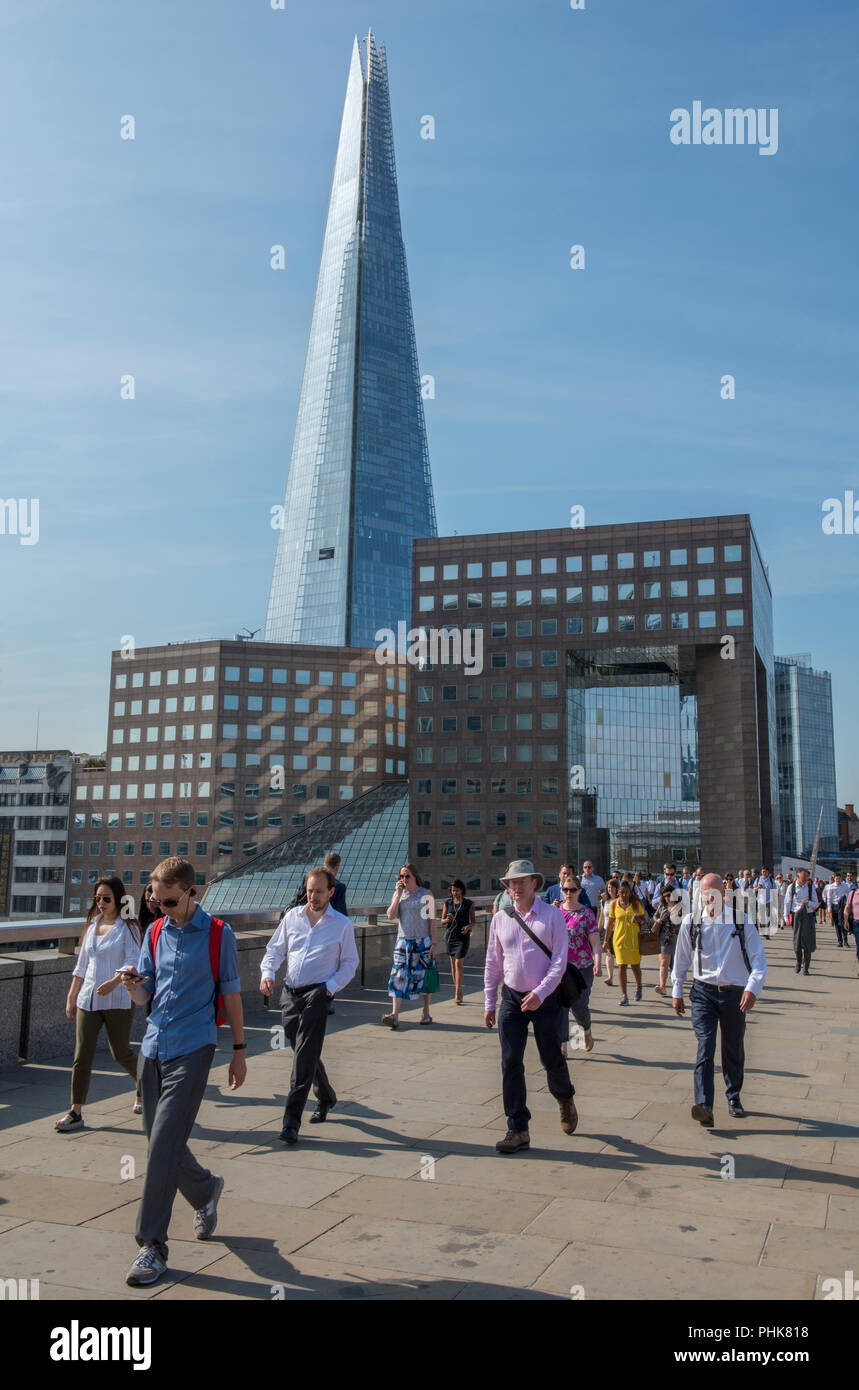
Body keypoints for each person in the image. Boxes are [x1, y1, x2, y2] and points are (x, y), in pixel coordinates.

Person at [116, 857, 246, 1288]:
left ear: (192, 892)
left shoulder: (217, 934)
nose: (161, 908)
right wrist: (134, 984)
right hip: (153, 1048)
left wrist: (240, 1051)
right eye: (155, 900)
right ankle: (205, 1189)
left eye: (169, 901)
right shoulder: (154, 932)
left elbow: (230, 993)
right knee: (160, 1144)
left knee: (164, 1142)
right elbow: (145, 996)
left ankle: (151, 1245)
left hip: (194, 1047)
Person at [260, 865, 358, 1144]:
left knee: (303, 1059)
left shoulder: (341, 924)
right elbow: (275, 949)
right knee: (300, 1047)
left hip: (318, 994)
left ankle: (291, 1123)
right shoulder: (292, 917)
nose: (312, 896)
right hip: (290, 994)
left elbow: (350, 964)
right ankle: (326, 1095)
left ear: (331, 891)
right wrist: (267, 974)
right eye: (309, 890)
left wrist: (329, 989)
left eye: (318, 891)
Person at [484, 859, 577, 1153]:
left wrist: (541, 991)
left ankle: (564, 1098)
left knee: (551, 1059)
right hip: (512, 997)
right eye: (512, 882)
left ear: (534, 883)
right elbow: (493, 961)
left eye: (522, 881)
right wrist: (489, 1001)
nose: (516, 886)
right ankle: (518, 1128)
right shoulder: (501, 918)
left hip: (545, 998)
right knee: (510, 1062)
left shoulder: (552, 916)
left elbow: (560, 961)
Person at [672, 871, 767, 1126]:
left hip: (734, 993)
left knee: (732, 1047)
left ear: (724, 894)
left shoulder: (740, 921)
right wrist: (677, 990)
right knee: (705, 1046)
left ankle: (733, 1095)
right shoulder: (691, 923)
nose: (710, 898)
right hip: (703, 992)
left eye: (714, 893)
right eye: (705, 894)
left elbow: (759, 960)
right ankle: (704, 1105)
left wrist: (752, 988)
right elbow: (680, 959)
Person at [54, 877, 142, 1132]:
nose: (101, 903)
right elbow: (82, 965)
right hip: (88, 999)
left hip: (117, 1000)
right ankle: (76, 1111)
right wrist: (72, 996)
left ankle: (145, 1082)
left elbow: (133, 961)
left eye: (106, 899)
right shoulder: (92, 925)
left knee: (120, 1052)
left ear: (118, 899)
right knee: (82, 1055)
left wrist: (115, 982)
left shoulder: (129, 928)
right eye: (98, 898)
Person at [383, 864, 437, 1028]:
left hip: (422, 941)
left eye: (407, 876)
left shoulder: (425, 895)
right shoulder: (399, 894)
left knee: (422, 977)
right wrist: (398, 895)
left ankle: (426, 1011)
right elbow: (391, 915)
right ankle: (395, 1015)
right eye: (401, 877)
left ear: (415, 877)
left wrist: (433, 942)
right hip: (403, 941)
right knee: (398, 975)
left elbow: (432, 920)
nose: (404, 879)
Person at [557, 871, 601, 1054]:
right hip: (560, 968)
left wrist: (598, 962)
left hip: (583, 968)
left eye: (572, 890)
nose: (568, 893)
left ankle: (586, 1029)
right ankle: (563, 1046)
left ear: (579, 891)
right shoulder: (555, 913)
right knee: (561, 1008)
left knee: (579, 1006)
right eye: (565, 889)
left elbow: (596, 943)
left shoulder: (587, 914)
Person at [608, 879, 646, 1005]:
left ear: (630, 893)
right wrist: (605, 940)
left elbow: (644, 922)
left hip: (633, 941)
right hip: (618, 941)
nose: (623, 895)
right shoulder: (614, 904)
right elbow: (609, 924)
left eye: (626, 893)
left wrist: (638, 919)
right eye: (621, 892)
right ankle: (624, 995)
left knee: (635, 966)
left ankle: (639, 987)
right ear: (618, 892)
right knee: (621, 966)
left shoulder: (636, 904)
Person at [441, 879, 474, 1004]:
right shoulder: (447, 903)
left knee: (459, 963)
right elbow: (441, 920)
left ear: (461, 890)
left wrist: (468, 927)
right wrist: (447, 920)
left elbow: (473, 921)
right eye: (452, 890)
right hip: (450, 936)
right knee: (452, 963)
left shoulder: (468, 903)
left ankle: (458, 991)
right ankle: (457, 988)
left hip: (462, 936)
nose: (454, 893)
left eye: (456, 890)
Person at [785, 870, 819, 975]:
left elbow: (816, 903)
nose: (806, 879)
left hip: (808, 915)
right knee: (797, 941)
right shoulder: (792, 887)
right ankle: (798, 962)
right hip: (796, 915)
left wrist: (808, 903)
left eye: (807, 877)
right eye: (804, 877)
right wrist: (786, 917)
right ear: (798, 876)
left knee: (808, 942)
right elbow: (787, 902)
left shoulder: (810, 887)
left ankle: (806, 967)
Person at [653, 883, 683, 995]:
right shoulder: (662, 907)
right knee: (664, 962)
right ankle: (662, 986)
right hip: (664, 938)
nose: (667, 898)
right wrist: (658, 920)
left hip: (677, 938)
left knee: (676, 964)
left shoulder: (681, 907)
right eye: (664, 896)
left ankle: (678, 986)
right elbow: (655, 916)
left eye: (669, 895)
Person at [600, 879, 620, 985]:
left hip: (619, 931)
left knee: (619, 955)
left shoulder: (621, 901)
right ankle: (610, 977)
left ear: (617, 889)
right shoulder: (604, 901)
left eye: (612, 887)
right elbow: (602, 916)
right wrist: (598, 929)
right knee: (609, 955)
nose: (610, 889)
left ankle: (622, 976)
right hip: (608, 932)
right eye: (608, 887)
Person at [823, 872, 849, 947]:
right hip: (834, 906)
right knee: (837, 924)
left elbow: (848, 894)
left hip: (842, 906)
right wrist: (829, 908)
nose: (838, 880)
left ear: (841, 878)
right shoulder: (831, 887)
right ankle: (840, 941)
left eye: (839, 878)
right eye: (836, 878)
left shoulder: (845, 886)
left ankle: (845, 941)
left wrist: (846, 901)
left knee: (843, 924)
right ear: (834, 879)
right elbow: (829, 897)